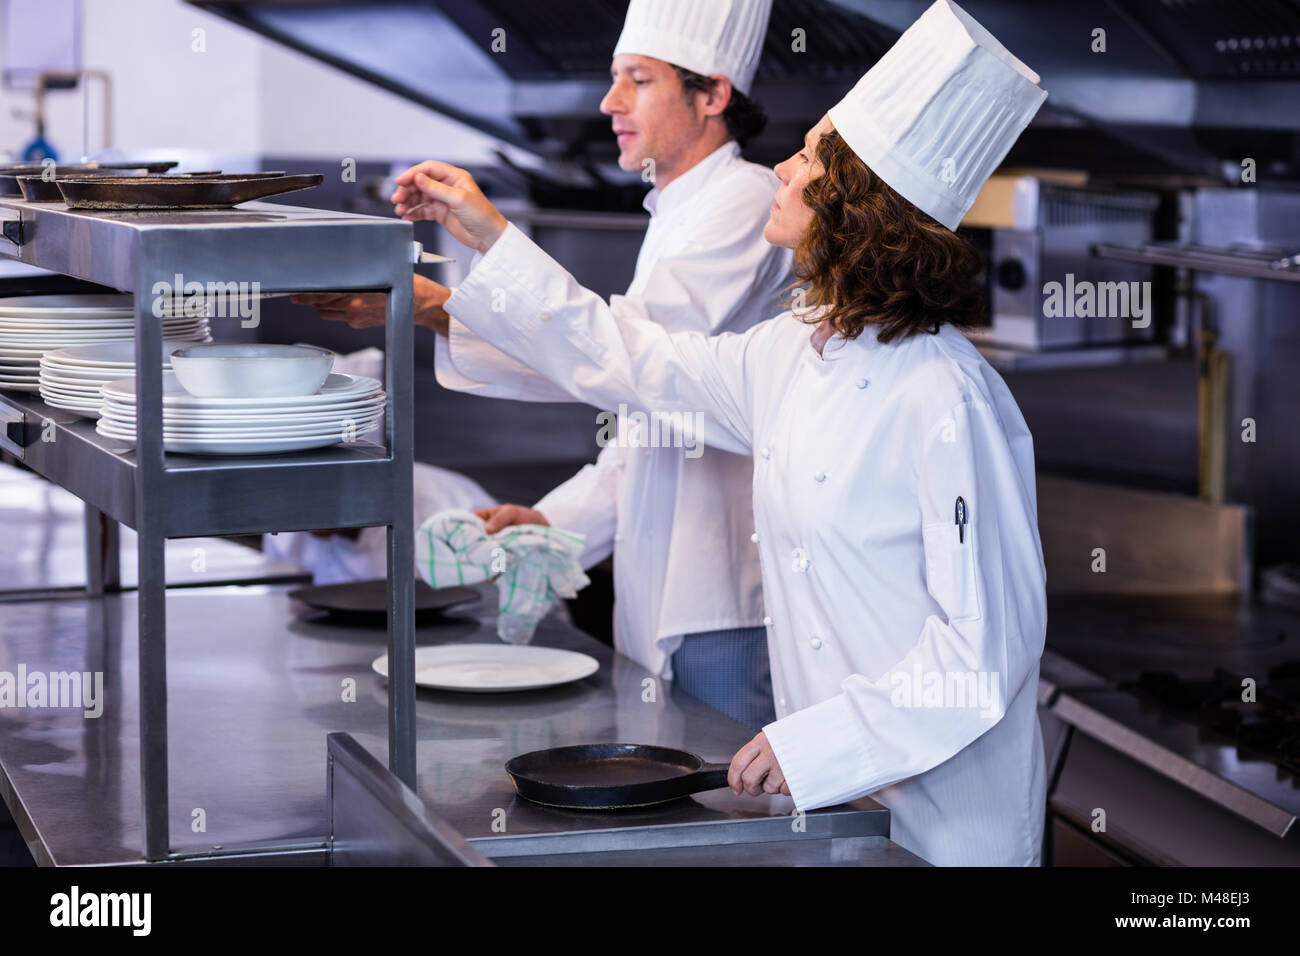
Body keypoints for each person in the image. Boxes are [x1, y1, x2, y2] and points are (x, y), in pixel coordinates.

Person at [387, 0, 1051, 866]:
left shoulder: (945, 397)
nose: (782, 166)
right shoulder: (791, 355)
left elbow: (982, 652)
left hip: (949, 828)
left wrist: (819, 745)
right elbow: (630, 359)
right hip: (841, 803)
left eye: (809, 158)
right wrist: (487, 239)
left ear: (860, 207)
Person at [297, 0, 793, 731]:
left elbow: (625, 361)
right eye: (614, 78)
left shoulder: (745, 199)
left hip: (722, 600)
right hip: (664, 593)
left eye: (638, 80)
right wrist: (552, 524)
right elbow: (641, 414)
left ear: (713, 95)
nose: (609, 101)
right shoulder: (677, 209)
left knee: (733, 822)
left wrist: (471, 268)